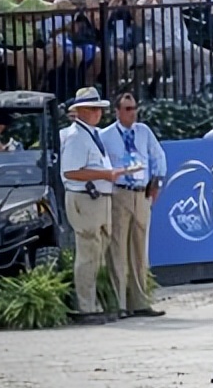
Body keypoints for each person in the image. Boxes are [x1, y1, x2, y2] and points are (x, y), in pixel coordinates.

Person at [61, 87, 134, 324]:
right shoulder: (76, 137)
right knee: (88, 253)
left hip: (97, 199)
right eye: (93, 109)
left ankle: (92, 303)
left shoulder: (90, 133)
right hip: (86, 198)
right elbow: (70, 172)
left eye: (99, 109)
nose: (98, 113)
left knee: (97, 252)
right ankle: (85, 307)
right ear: (80, 111)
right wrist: (106, 173)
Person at [99, 92, 166, 318]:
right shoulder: (105, 135)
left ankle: (139, 302)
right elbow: (100, 165)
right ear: (117, 111)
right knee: (117, 249)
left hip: (141, 193)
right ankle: (119, 304)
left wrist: (156, 182)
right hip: (119, 193)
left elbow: (158, 156)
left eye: (134, 108)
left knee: (139, 250)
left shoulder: (143, 132)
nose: (132, 112)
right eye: (127, 109)